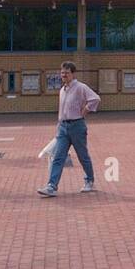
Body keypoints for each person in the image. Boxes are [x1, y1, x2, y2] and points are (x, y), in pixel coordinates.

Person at [38, 61, 99, 197]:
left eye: (66, 72)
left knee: (83, 156)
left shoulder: (80, 87)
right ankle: (51, 186)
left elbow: (95, 98)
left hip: (77, 126)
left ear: (73, 74)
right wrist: (59, 124)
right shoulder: (62, 90)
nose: (64, 75)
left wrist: (86, 109)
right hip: (63, 128)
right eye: (62, 73)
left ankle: (89, 180)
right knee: (58, 157)